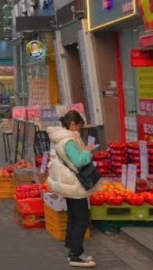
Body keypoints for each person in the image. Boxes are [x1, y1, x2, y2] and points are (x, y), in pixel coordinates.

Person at [48, 110, 98, 268]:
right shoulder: (68, 140)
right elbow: (78, 161)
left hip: (67, 183)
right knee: (82, 220)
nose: (80, 130)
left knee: (74, 218)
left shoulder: (59, 138)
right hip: (74, 185)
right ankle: (75, 255)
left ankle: (75, 251)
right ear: (72, 125)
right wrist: (88, 152)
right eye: (79, 127)